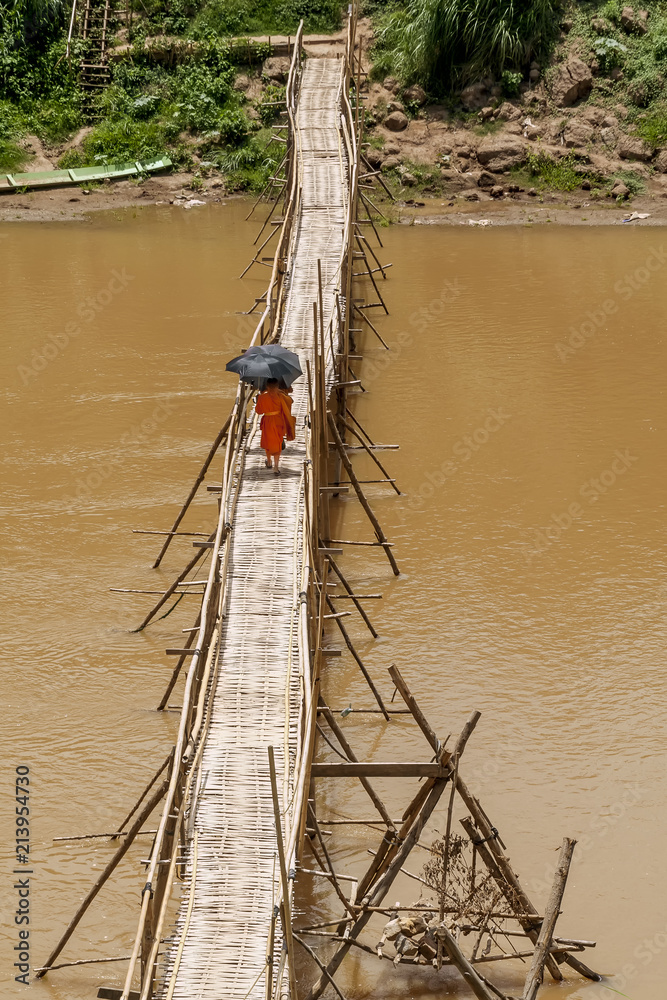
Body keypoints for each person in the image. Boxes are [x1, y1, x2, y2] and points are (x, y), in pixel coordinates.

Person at [255, 378, 293, 474]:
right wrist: (282, 393)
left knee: (268, 441)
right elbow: (290, 401)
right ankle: (276, 467)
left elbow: (258, 411)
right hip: (278, 421)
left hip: (267, 421)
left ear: (267, 387)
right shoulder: (280, 396)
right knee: (277, 442)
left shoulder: (263, 397)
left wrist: (258, 399)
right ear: (277, 387)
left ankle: (269, 461)